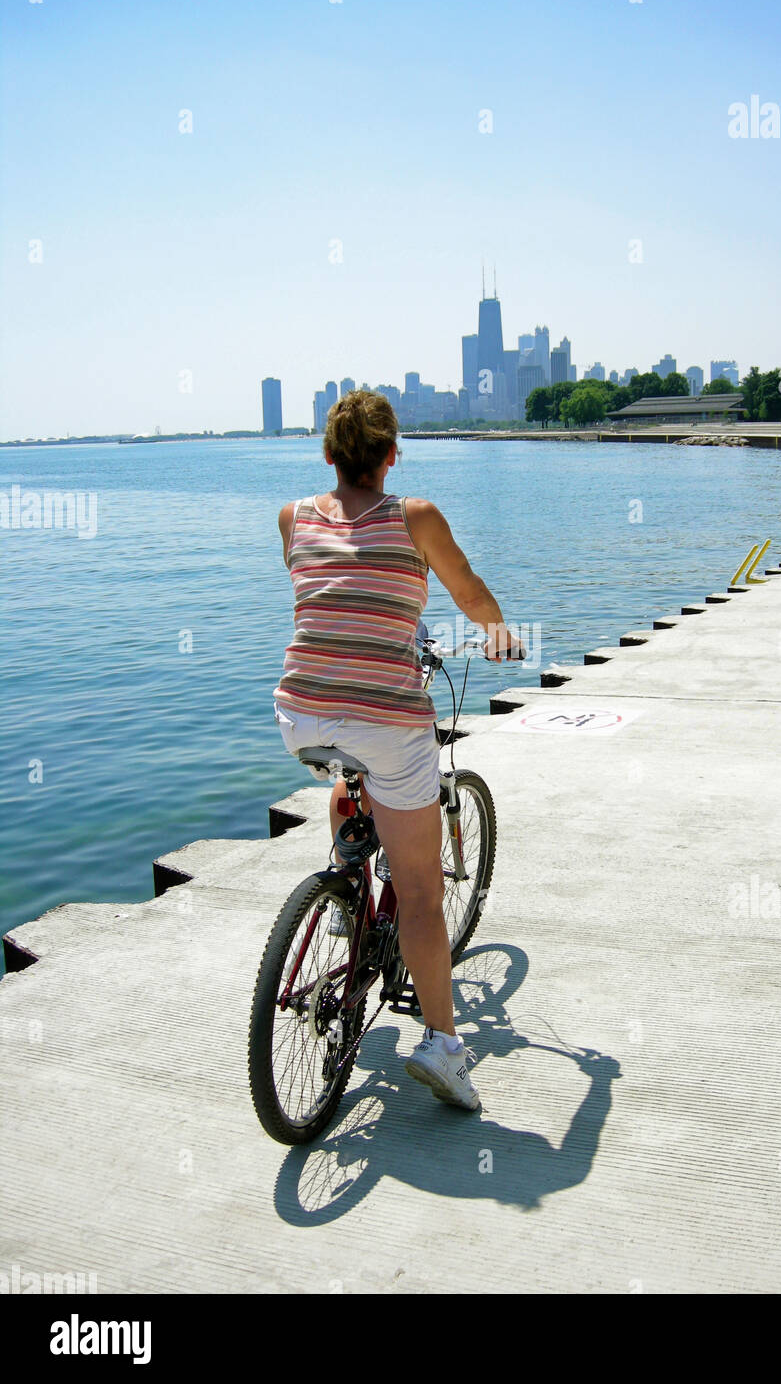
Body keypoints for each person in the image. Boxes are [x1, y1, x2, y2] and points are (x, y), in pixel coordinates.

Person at [272, 390, 524, 1111]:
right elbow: (468, 591)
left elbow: (333, 592)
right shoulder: (415, 516)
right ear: (392, 456)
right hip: (388, 720)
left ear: (327, 455)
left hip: (299, 712)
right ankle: (444, 1050)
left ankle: (346, 889)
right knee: (420, 891)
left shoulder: (292, 518)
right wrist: (499, 631)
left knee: (347, 771)